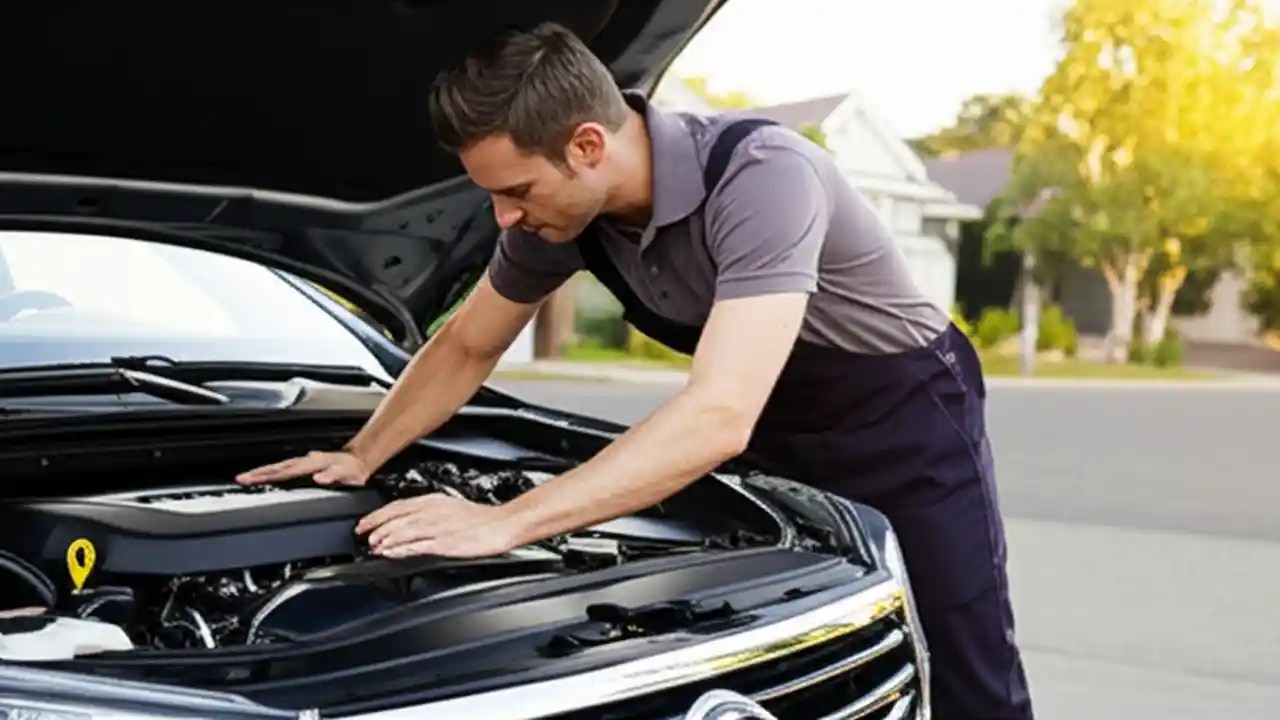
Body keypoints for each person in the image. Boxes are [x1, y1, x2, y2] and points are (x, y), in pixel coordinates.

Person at [235, 21, 1034, 720]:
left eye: (515, 190)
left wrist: (506, 521)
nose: (503, 219)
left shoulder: (761, 177)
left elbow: (719, 415)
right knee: (781, 649)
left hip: (904, 417)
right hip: (771, 417)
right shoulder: (564, 214)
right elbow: (464, 346)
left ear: (588, 144)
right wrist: (363, 454)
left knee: (963, 660)